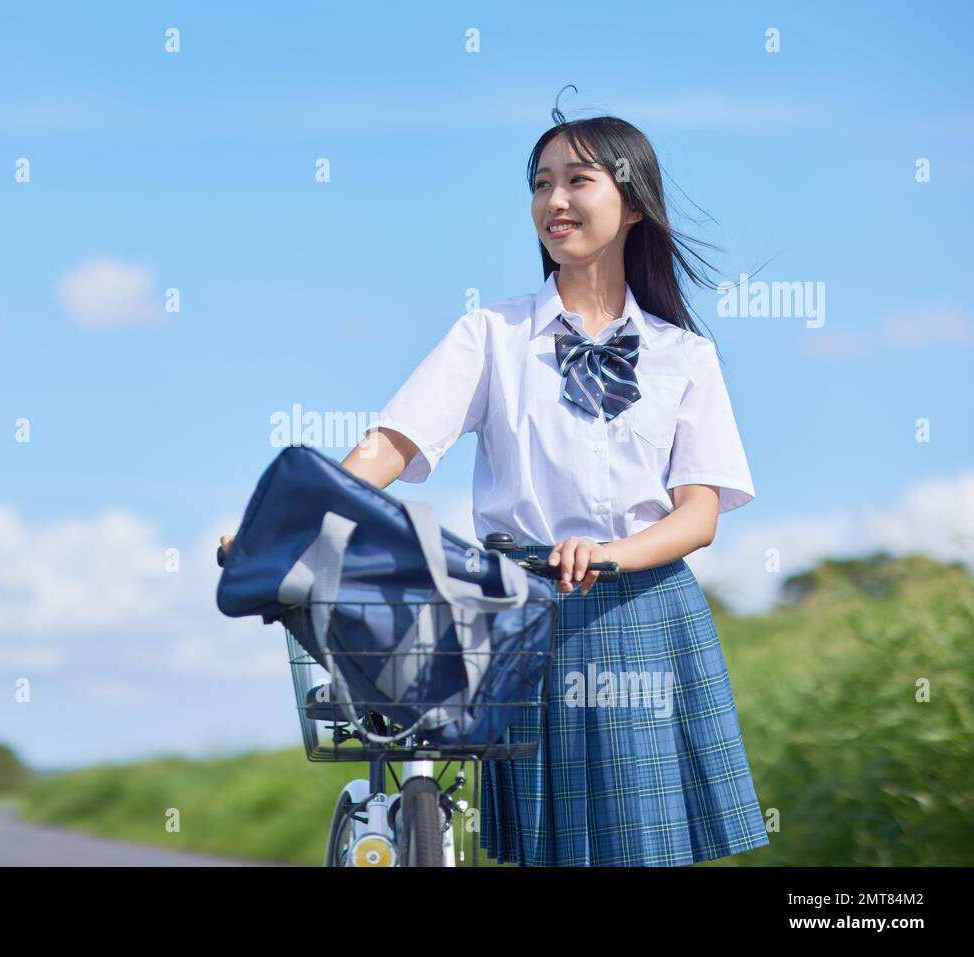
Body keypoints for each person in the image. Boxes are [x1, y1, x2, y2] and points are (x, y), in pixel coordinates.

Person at [222, 104, 770, 867]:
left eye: (578, 180)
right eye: (540, 184)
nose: (554, 202)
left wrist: (610, 550)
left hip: (645, 614)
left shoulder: (685, 357)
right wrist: (281, 524)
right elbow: (390, 445)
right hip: (524, 612)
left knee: (647, 850)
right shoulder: (491, 335)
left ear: (634, 202)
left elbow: (700, 515)